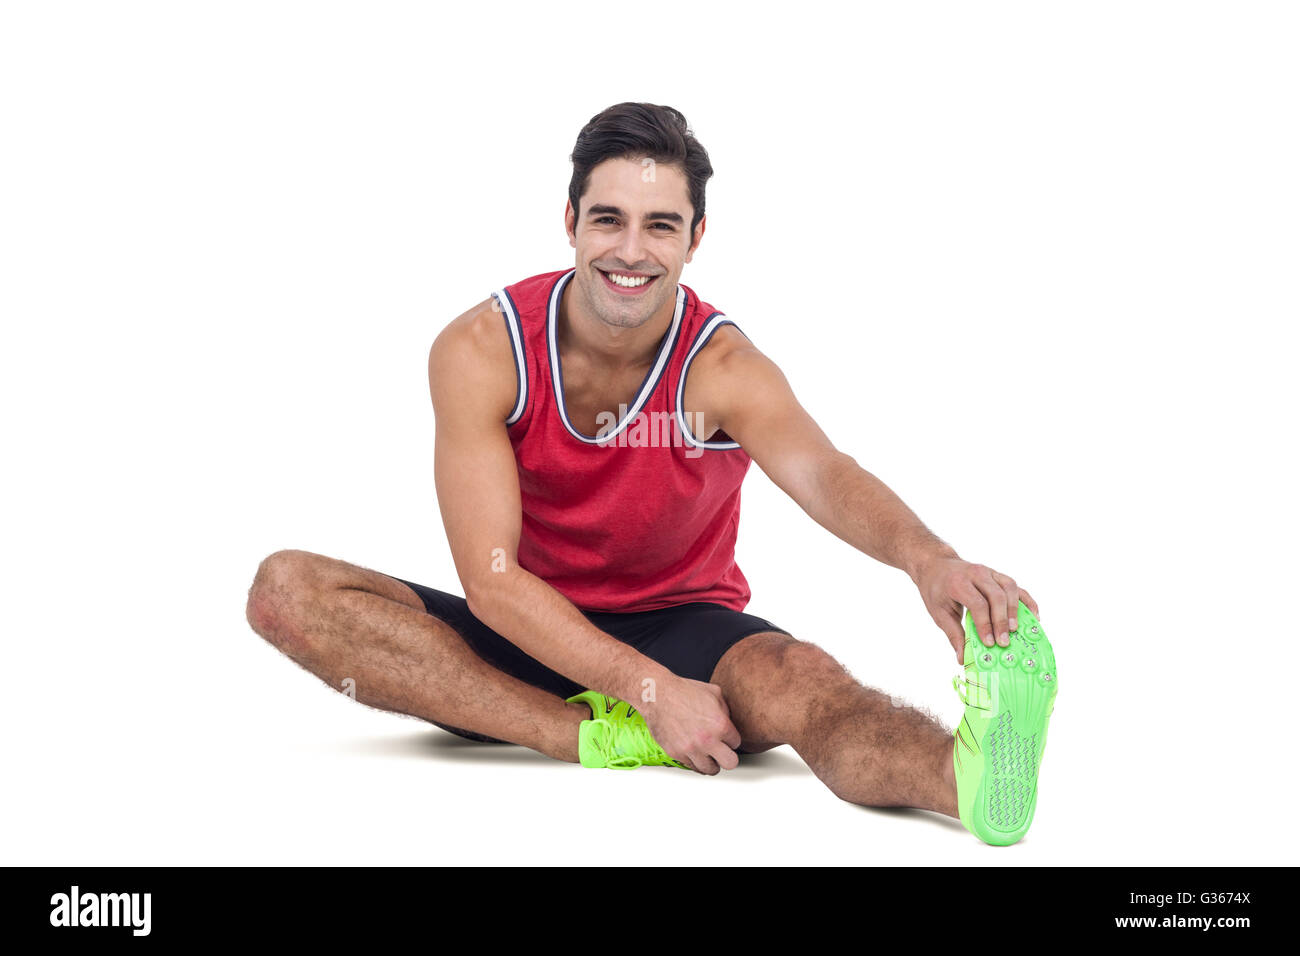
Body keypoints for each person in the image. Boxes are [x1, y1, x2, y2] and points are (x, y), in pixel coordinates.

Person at [245, 102, 1057, 845]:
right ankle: (591, 736)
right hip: (527, 627)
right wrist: (642, 693)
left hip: (684, 630)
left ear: (695, 237)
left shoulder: (725, 368)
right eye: (608, 220)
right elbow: (489, 582)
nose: (630, 252)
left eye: (660, 226)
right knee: (286, 589)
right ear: (569, 222)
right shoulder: (481, 350)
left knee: (804, 678)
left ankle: (963, 775)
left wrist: (927, 558)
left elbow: (824, 473)